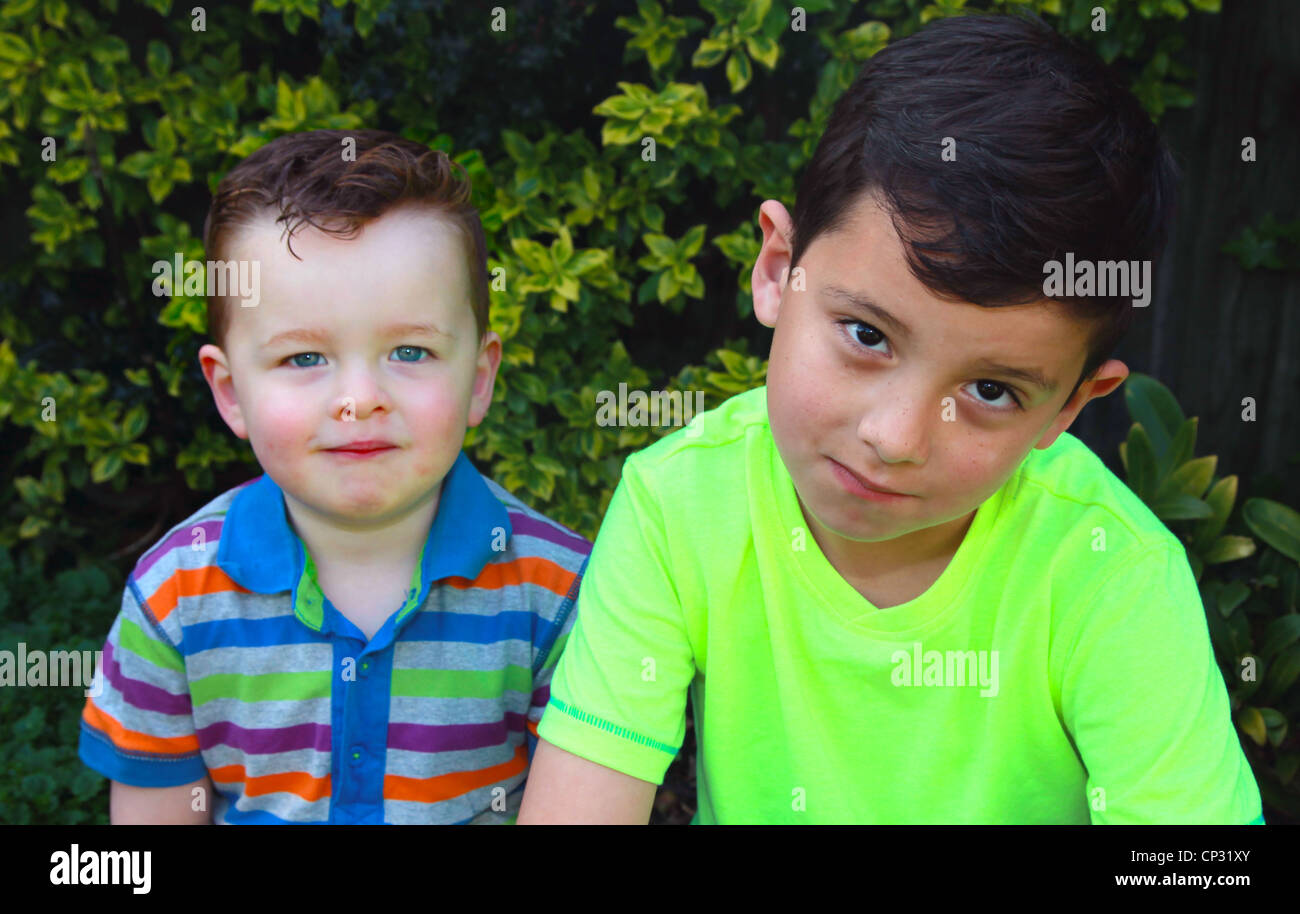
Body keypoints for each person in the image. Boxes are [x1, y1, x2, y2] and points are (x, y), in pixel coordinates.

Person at [518, 13, 1265, 824]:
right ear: (778, 270)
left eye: (991, 391)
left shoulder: (1110, 578)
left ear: (1072, 406)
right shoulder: (678, 506)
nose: (896, 439)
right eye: (867, 336)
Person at [78, 130, 591, 823]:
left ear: (478, 377)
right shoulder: (175, 595)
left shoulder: (559, 592)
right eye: (304, 358)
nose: (358, 398)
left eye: (410, 350)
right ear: (230, 392)